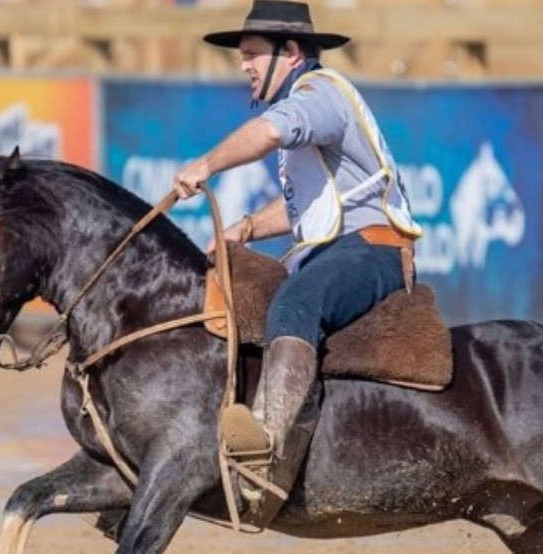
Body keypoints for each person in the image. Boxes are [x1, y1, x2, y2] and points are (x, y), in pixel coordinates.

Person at [172, 0, 421, 511]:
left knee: (293, 304)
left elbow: (265, 134)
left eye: (251, 54)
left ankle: (263, 452)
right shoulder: (307, 102)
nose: (243, 66)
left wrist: (207, 164)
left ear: (289, 53)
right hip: (336, 249)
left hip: (371, 248)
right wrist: (248, 227)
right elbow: (303, 206)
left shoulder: (318, 93)